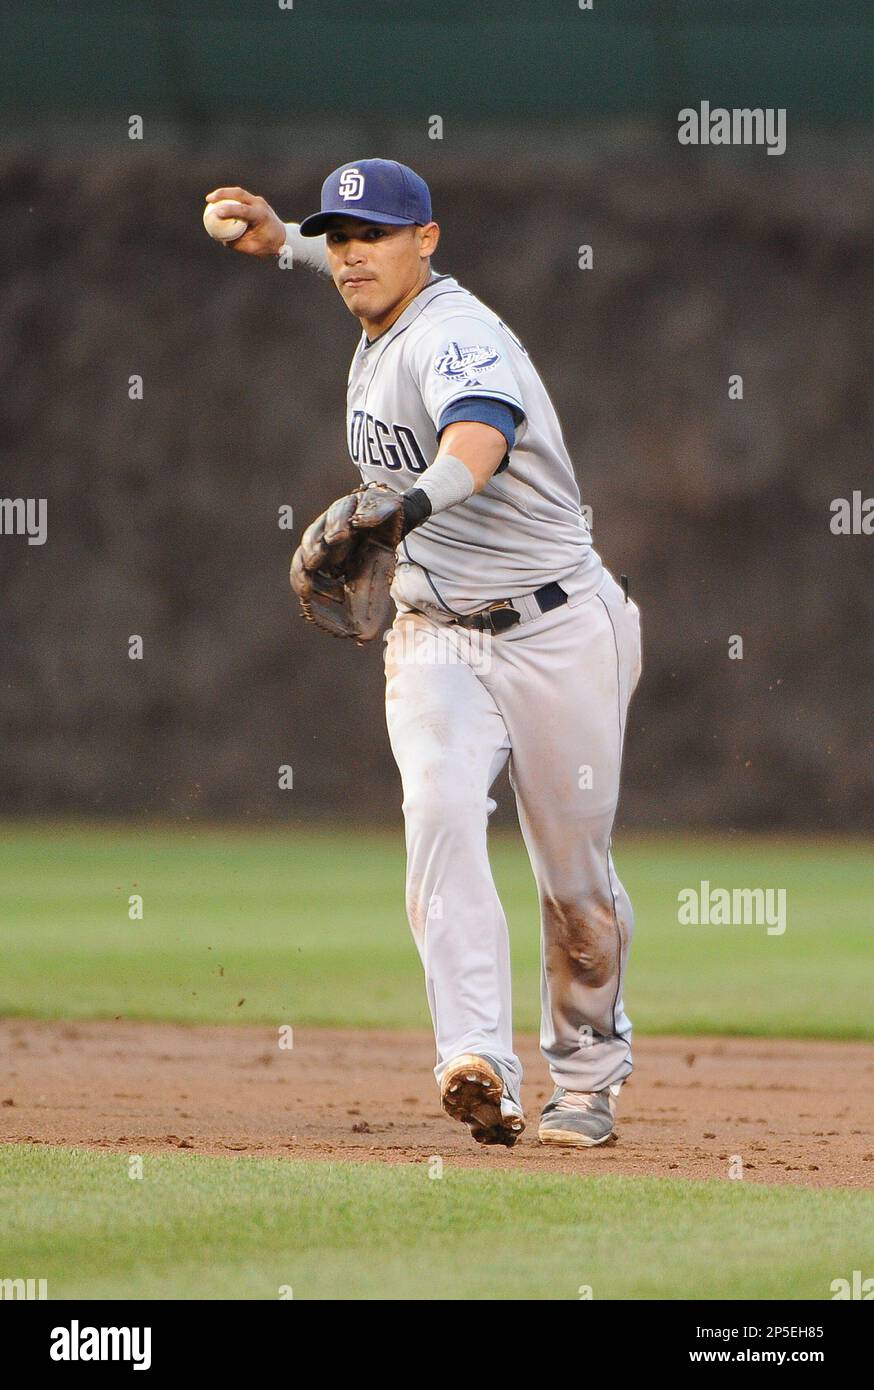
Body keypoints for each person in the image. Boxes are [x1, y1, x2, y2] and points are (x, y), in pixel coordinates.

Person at [204, 159, 642, 1148]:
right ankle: (474, 1060)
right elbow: (340, 260)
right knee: (439, 811)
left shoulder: (455, 335)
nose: (354, 253)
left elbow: (478, 436)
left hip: (561, 628)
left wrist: (404, 506)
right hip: (435, 632)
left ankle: (587, 1081)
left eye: (377, 234)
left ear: (428, 240)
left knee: (574, 880)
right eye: (341, 235)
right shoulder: (373, 292)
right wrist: (281, 240)